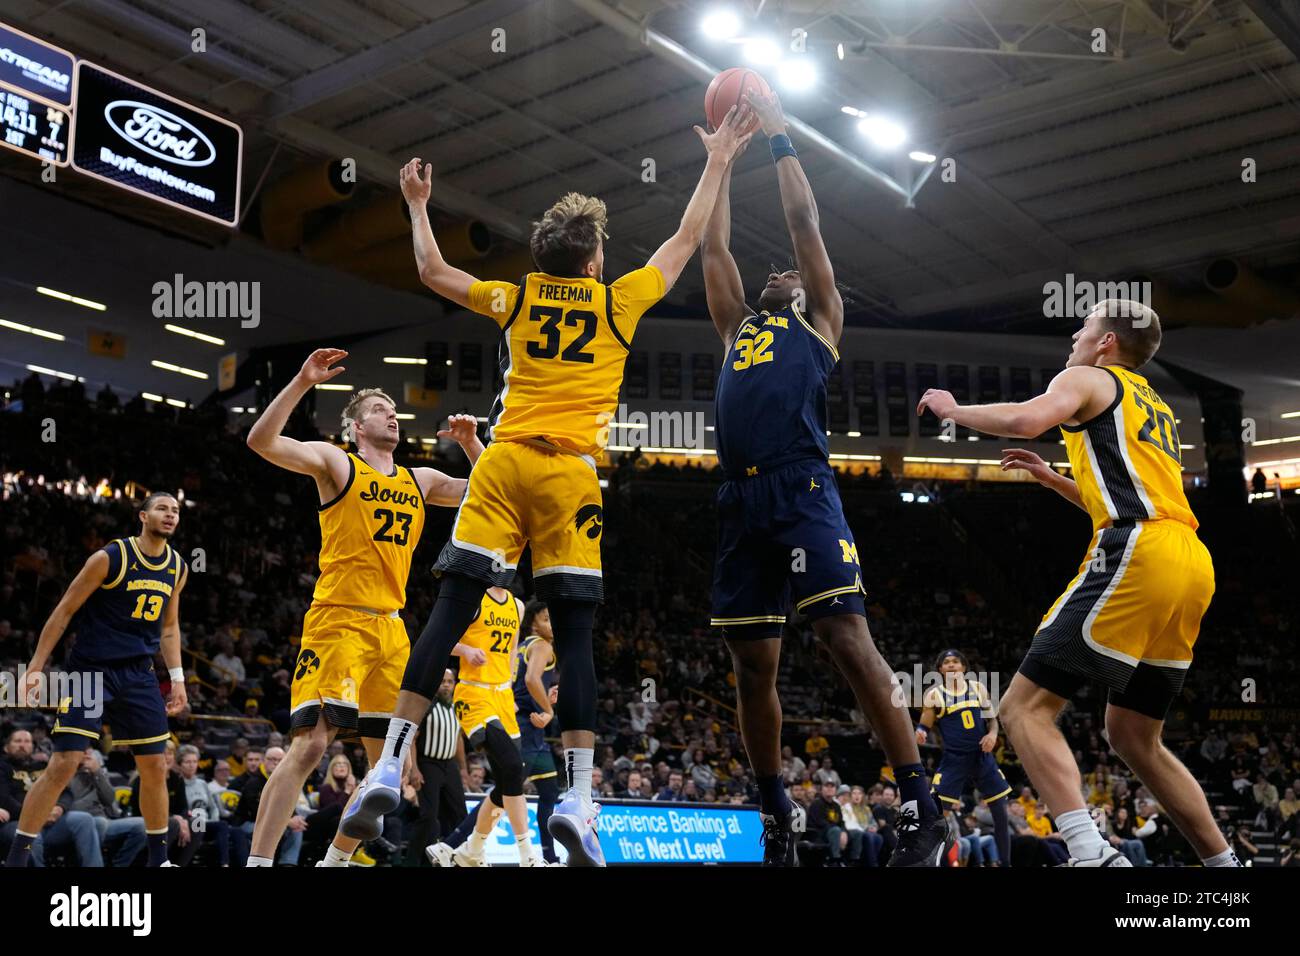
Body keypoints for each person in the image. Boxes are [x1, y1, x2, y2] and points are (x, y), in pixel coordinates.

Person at [350, 107, 752, 867]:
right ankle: (575, 796)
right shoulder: (618, 300)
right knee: (571, 635)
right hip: (571, 475)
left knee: (447, 613)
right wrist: (720, 158)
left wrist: (415, 205)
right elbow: (688, 240)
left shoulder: (518, 296)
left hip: (501, 463)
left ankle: (381, 765)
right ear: (596, 260)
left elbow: (432, 272)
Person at [700, 88, 947, 866]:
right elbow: (712, 249)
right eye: (772, 274)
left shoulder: (820, 322)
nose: (779, 272)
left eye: (791, 276)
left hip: (802, 487)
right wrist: (716, 165)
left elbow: (805, 224)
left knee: (846, 637)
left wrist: (777, 135)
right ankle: (776, 814)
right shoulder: (738, 326)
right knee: (752, 667)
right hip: (739, 499)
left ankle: (919, 803)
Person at [920, 298, 1236, 869]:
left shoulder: (1086, 376)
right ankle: (1224, 868)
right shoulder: (1148, 400)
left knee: (1022, 711)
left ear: (1108, 342)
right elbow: (1122, 491)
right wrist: (1052, 479)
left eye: (1085, 326)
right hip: (1189, 562)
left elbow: (1025, 420)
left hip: (1139, 550)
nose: (1075, 334)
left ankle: (1090, 852)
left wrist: (954, 408)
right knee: (1135, 738)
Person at [244, 366, 483, 868]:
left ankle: (335, 860)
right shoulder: (337, 462)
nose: (391, 414)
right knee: (310, 748)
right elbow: (262, 440)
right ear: (355, 426)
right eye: (379, 409)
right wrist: (303, 382)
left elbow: (487, 491)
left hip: (392, 628)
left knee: (387, 771)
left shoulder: (422, 479)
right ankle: (260, 863)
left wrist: (471, 442)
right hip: (338, 620)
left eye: (394, 410)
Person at [5, 492, 188, 868]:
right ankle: (17, 858)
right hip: (91, 670)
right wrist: (36, 667)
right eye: (161, 509)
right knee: (65, 761)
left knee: (155, 764)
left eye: (175, 511)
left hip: (139, 674)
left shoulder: (178, 567)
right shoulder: (110, 557)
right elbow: (64, 611)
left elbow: (169, 628)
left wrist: (178, 678)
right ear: (142, 515)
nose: (170, 515)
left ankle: (159, 860)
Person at [915, 649, 1011, 866]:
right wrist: (920, 733)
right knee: (938, 817)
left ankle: (1005, 863)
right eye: (946, 662)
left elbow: (992, 721)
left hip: (982, 757)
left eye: (955, 662)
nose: (951, 665)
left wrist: (993, 734)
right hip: (954, 759)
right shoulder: (934, 695)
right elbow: (924, 725)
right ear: (940, 669)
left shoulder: (978, 688)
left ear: (963, 667)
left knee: (1001, 814)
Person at [407, 669, 468, 865]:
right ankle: (413, 861)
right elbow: (412, 739)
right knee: (428, 816)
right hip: (428, 763)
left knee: (459, 812)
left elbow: (458, 738)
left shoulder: (456, 707)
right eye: (442, 681)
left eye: (450, 681)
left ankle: (456, 857)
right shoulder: (426, 706)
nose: (447, 685)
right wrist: (413, 769)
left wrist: (464, 768)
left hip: (450, 765)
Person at [67, 748, 147, 867]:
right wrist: (92, 799)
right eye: (83, 752)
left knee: (142, 825)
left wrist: (97, 772)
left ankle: (119, 865)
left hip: (106, 821)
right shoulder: (66, 774)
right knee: (99, 822)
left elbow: (109, 799)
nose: (87, 755)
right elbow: (71, 806)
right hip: (81, 825)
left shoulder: (95, 772)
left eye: (88, 752)